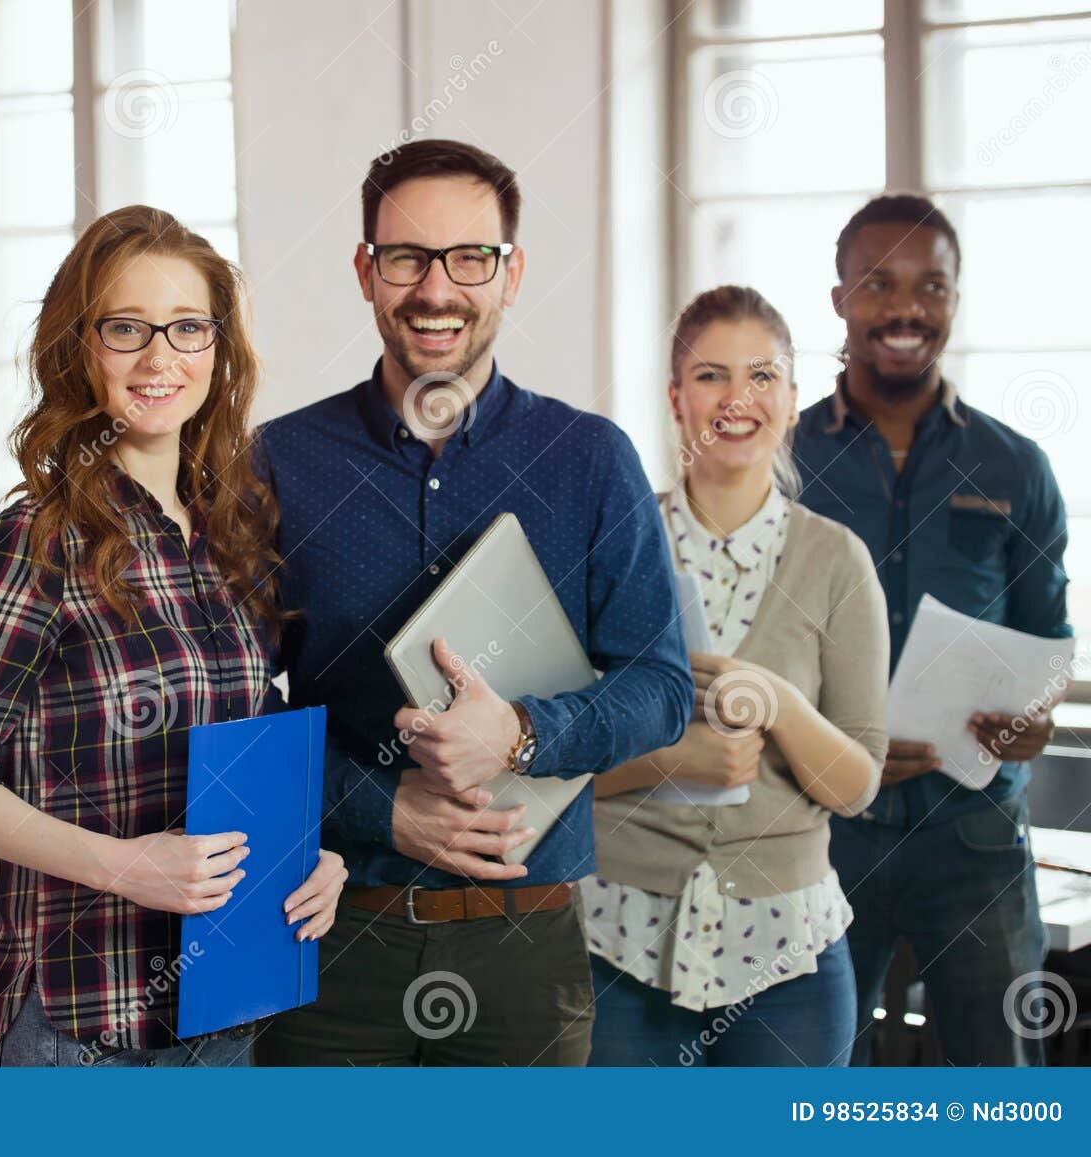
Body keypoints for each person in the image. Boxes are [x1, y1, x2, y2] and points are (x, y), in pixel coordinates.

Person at [252, 139, 694, 1067]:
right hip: (327, 934)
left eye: (469, 258)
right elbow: (234, 710)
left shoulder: (591, 459)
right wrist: (381, 809)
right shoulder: (278, 462)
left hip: (526, 946)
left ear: (511, 273)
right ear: (366, 272)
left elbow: (661, 689)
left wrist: (523, 734)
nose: (436, 289)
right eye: (406, 258)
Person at [0, 205, 346, 1068]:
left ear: (218, 348)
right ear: (78, 348)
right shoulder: (39, 539)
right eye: (126, 328)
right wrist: (122, 865)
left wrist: (313, 856)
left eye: (187, 327)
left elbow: (246, 746)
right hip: (81, 1024)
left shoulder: (232, 532)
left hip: (225, 1009)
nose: (160, 358)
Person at [792, 194, 1071, 1066]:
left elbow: (1048, 641)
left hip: (975, 838)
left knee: (1002, 1088)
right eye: (879, 283)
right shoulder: (782, 462)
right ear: (840, 298)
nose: (906, 308)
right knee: (806, 1084)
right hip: (819, 834)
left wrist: (1033, 719)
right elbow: (735, 644)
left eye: (931, 286)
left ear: (955, 298)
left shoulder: (1016, 466)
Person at [584, 286, 888, 1066]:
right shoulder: (615, 544)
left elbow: (857, 785)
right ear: (676, 398)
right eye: (711, 375)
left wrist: (778, 700)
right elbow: (551, 762)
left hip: (789, 960)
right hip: (617, 941)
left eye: (762, 375)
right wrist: (669, 761)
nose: (737, 398)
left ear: (792, 400)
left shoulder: (837, 561)